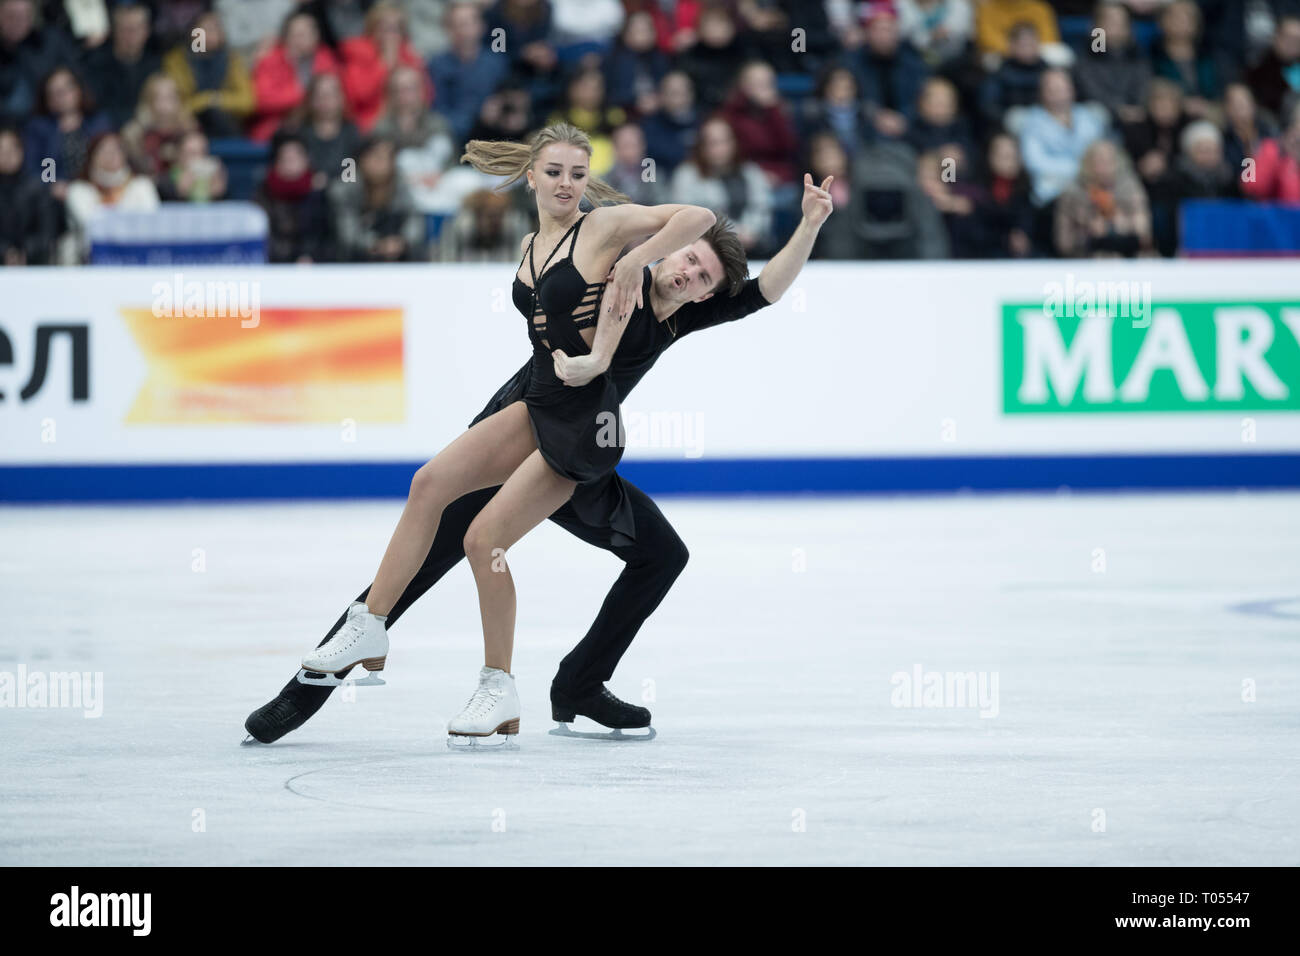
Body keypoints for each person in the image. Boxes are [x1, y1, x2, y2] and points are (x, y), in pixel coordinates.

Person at [244, 171, 836, 746]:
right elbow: (609, 235)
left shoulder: (681, 317)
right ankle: (301, 693)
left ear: (707, 293)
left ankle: (580, 683)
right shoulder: (614, 272)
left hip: (575, 456)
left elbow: (766, 291)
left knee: (662, 555)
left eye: (703, 276)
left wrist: (809, 224)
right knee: (420, 562)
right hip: (520, 427)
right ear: (671, 250)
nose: (689, 274)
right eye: (689, 259)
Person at [291, 122, 718, 745]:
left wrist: (634, 260)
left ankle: (499, 688)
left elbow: (700, 217)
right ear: (531, 176)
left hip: (580, 428)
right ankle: (370, 624)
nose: (567, 184)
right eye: (555, 172)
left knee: (482, 539)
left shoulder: (602, 226)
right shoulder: (530, 245)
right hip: (539, 400)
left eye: (578, 174)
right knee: (429, 484)